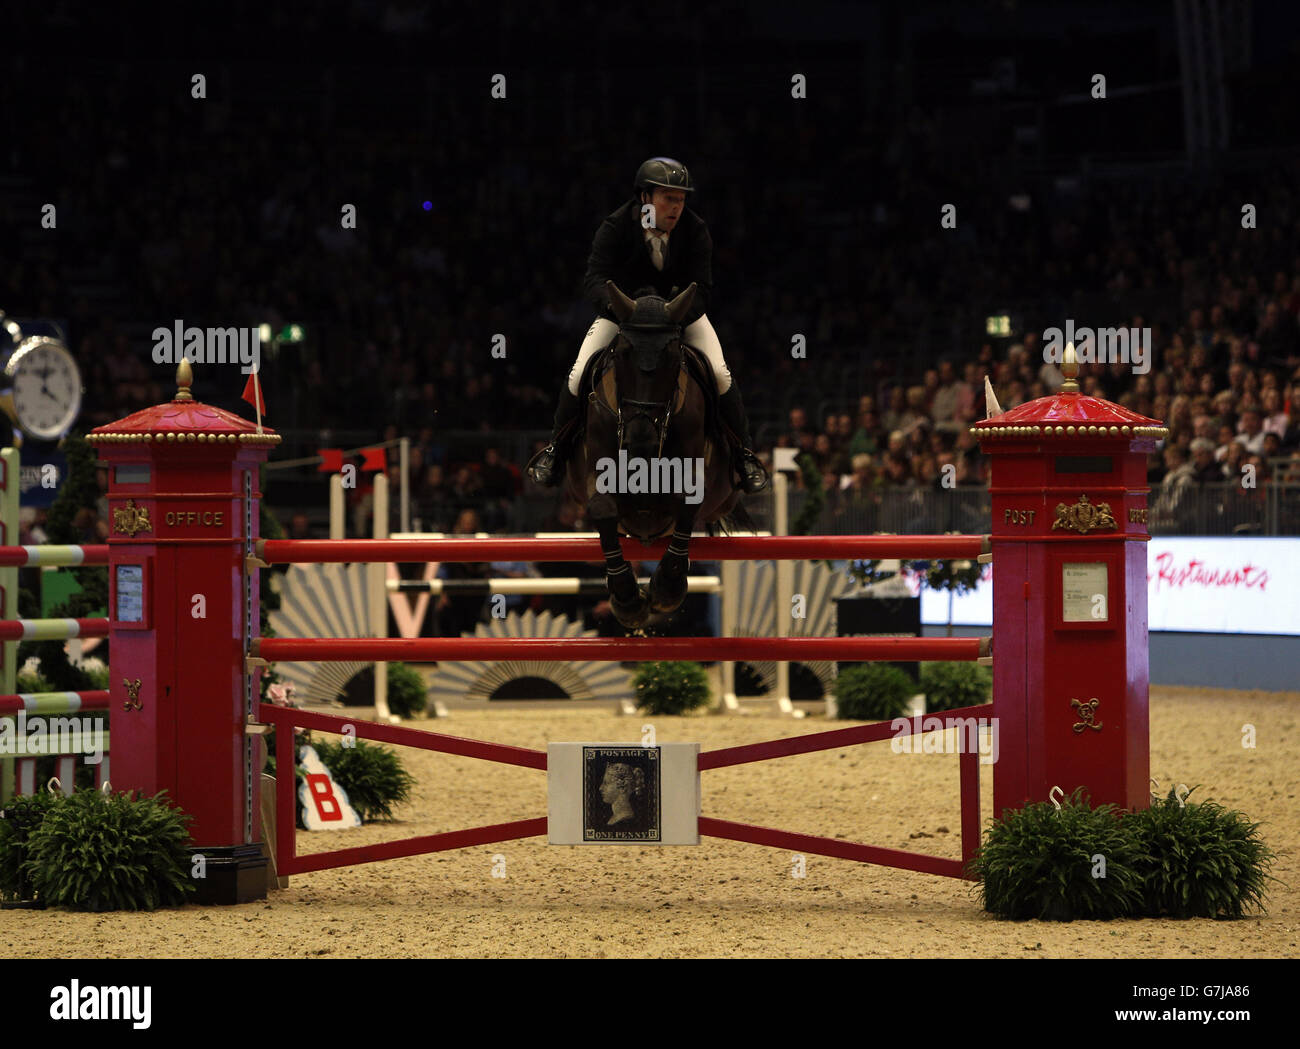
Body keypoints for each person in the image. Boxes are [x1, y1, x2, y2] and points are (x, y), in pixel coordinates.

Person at [526, 157, 768, 493]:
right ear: (644, 198)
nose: (676, 208)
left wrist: (671, 315)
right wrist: (621, 309)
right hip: (624, 317)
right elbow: (595, 279)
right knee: (579, 373)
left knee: (720, 372)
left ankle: (743, 454)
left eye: (681, 200)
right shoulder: (615, 227)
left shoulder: (695, 230)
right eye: (668, 198)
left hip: (678, 318)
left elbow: (703, 287)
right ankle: (556, 450)